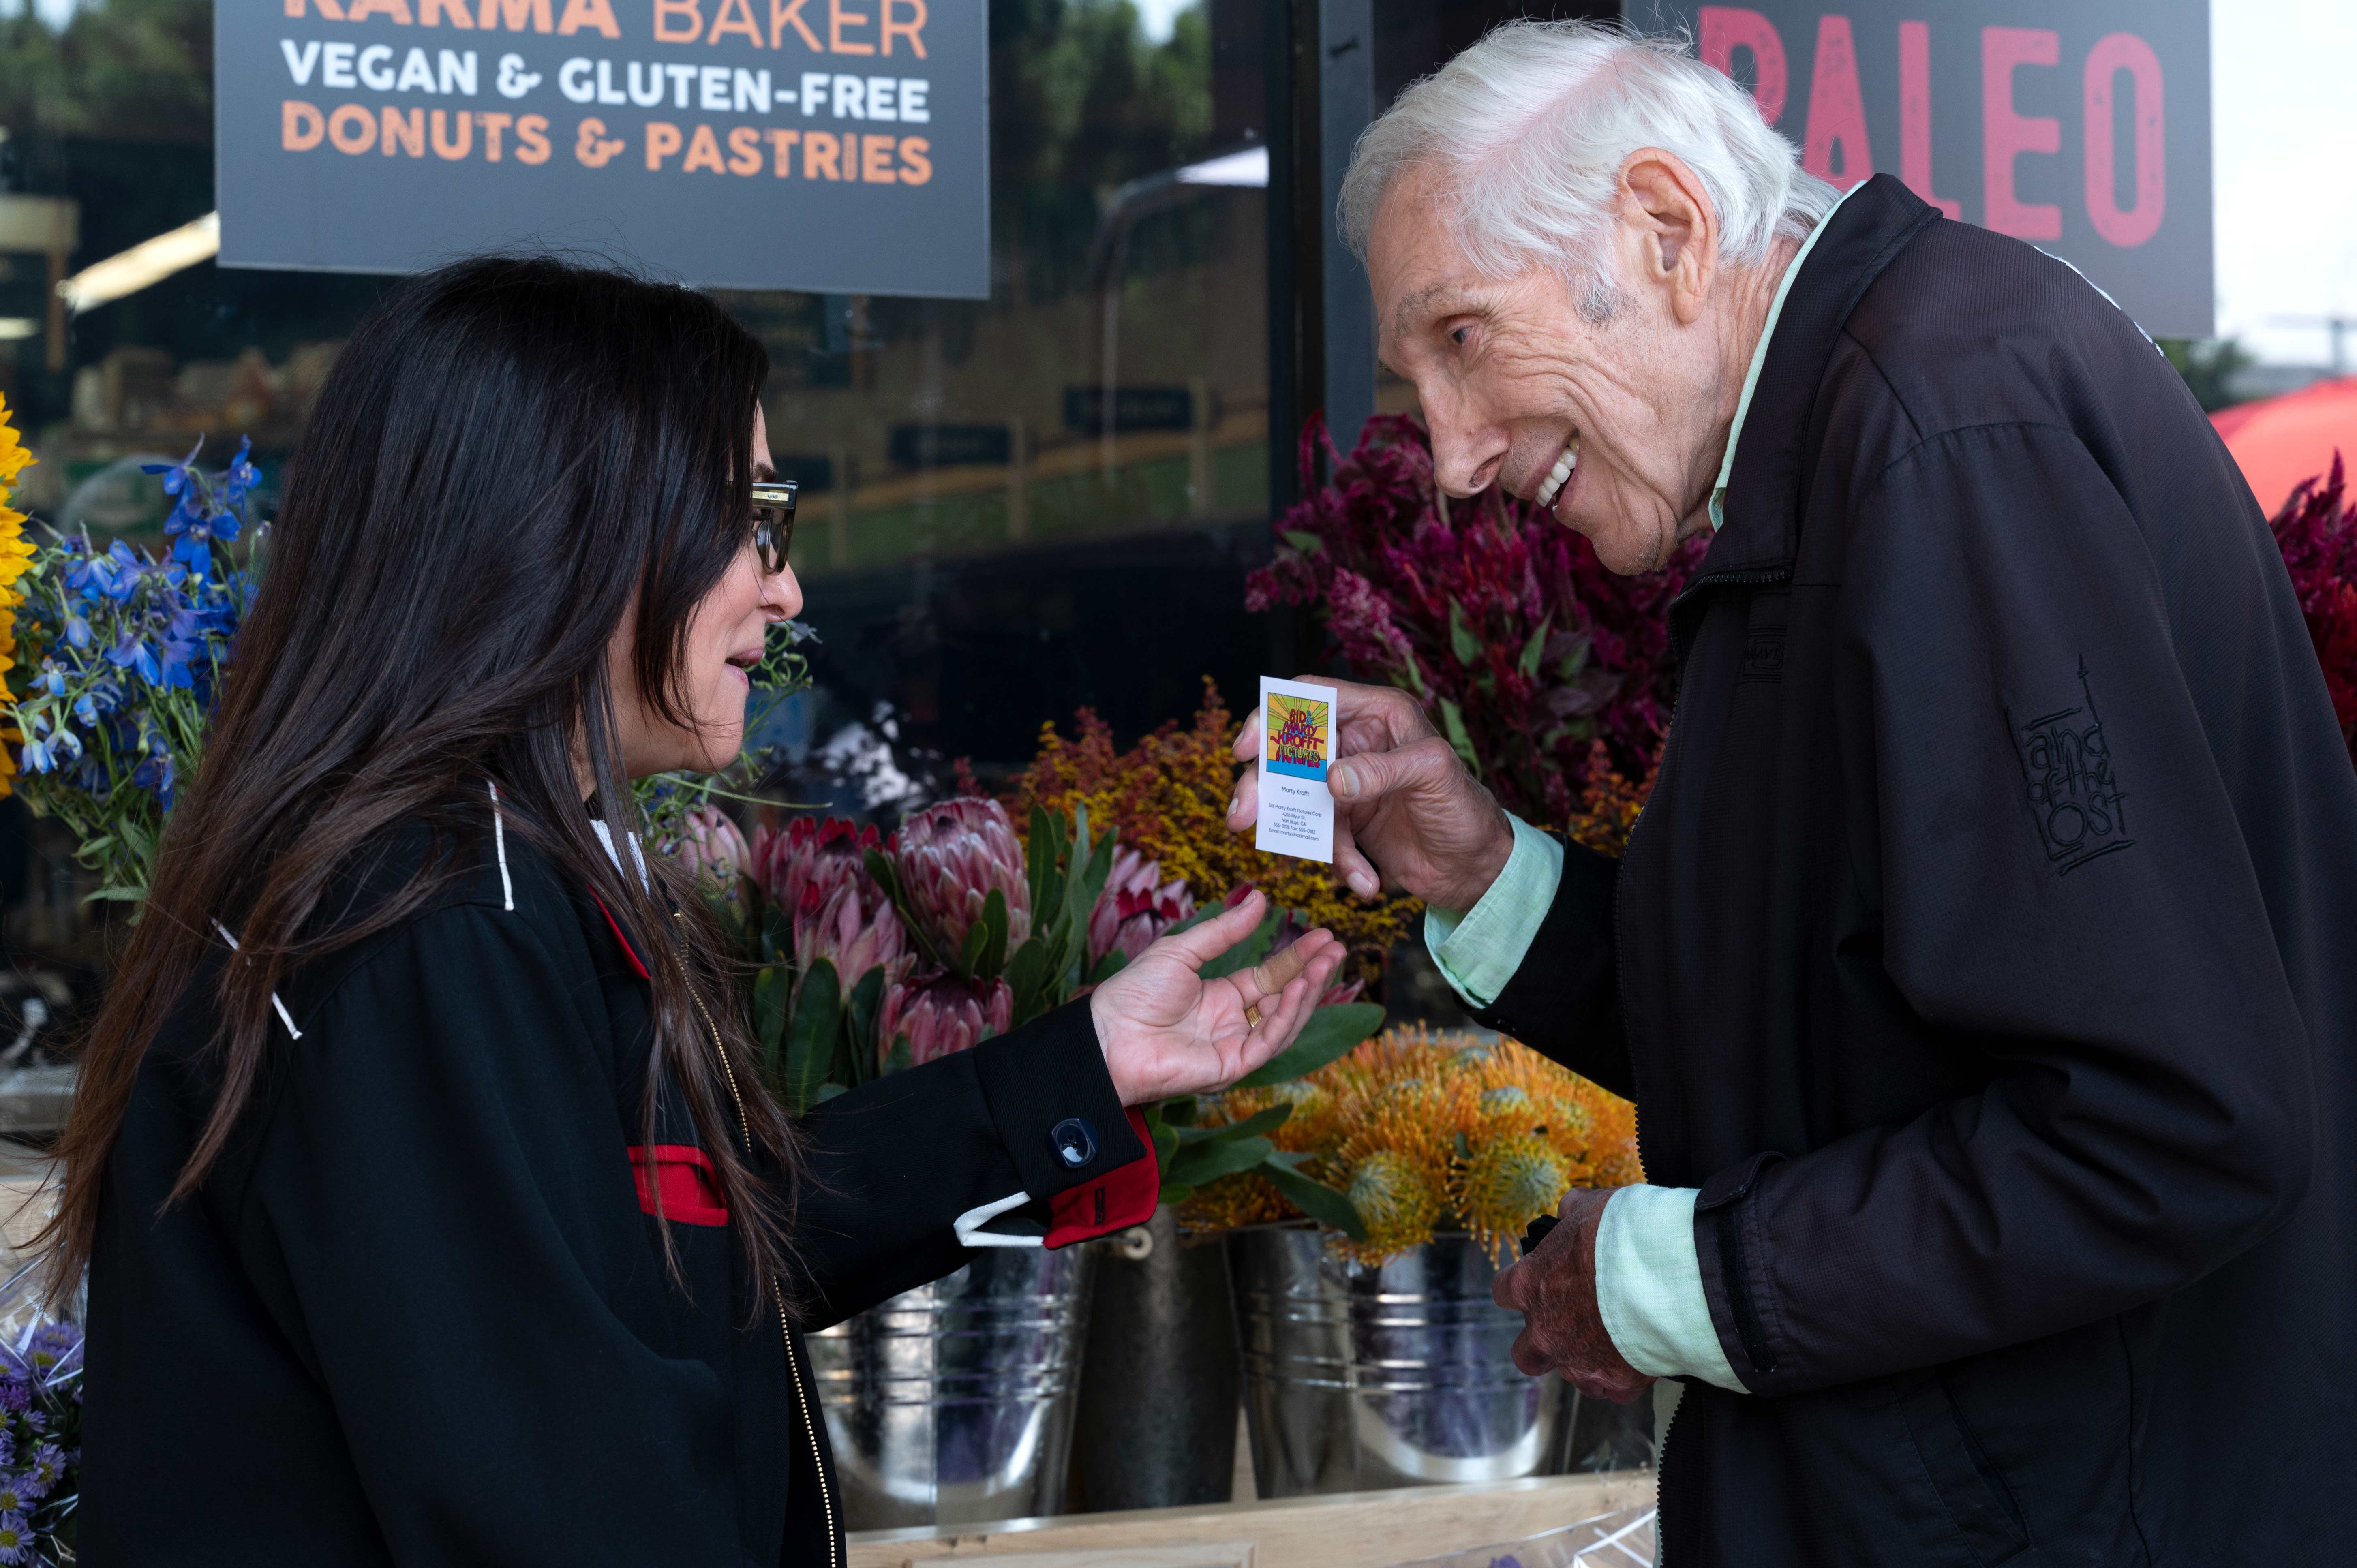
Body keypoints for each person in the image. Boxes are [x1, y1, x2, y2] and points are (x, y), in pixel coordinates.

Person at [1228, 20, 2357, 1566]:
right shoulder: (1863, 427)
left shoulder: (1937, 435)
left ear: (1670, 231)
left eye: (1465, 340)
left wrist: (1667, 1281)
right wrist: (1484, 870)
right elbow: (1820, 1028)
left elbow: (2169, 1126)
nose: (1453, 457)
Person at [57, 257, 1344, 1565]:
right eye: (752, 520)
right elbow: (562, 1501)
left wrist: (1082, 1069)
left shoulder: (480, 878)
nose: (784, 590)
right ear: (576, 533)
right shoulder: (429, 926)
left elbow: (676, 1253)